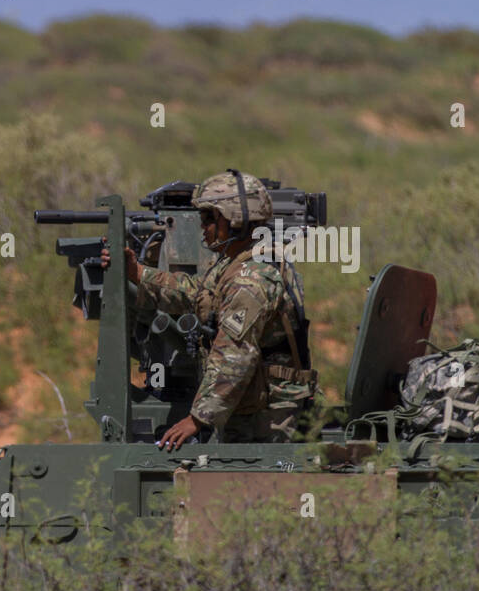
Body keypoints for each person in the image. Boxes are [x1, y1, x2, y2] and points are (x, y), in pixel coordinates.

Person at [100, 169, 317, 449]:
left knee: (250, 490)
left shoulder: (250, 280)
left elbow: (235, 355)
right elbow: (196, 294)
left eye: (208, 219)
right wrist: (138, 273)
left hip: (265, 418)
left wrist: (198, 418)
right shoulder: (238, 263)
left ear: (235, 221)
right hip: (250, 405)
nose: (202, 227)